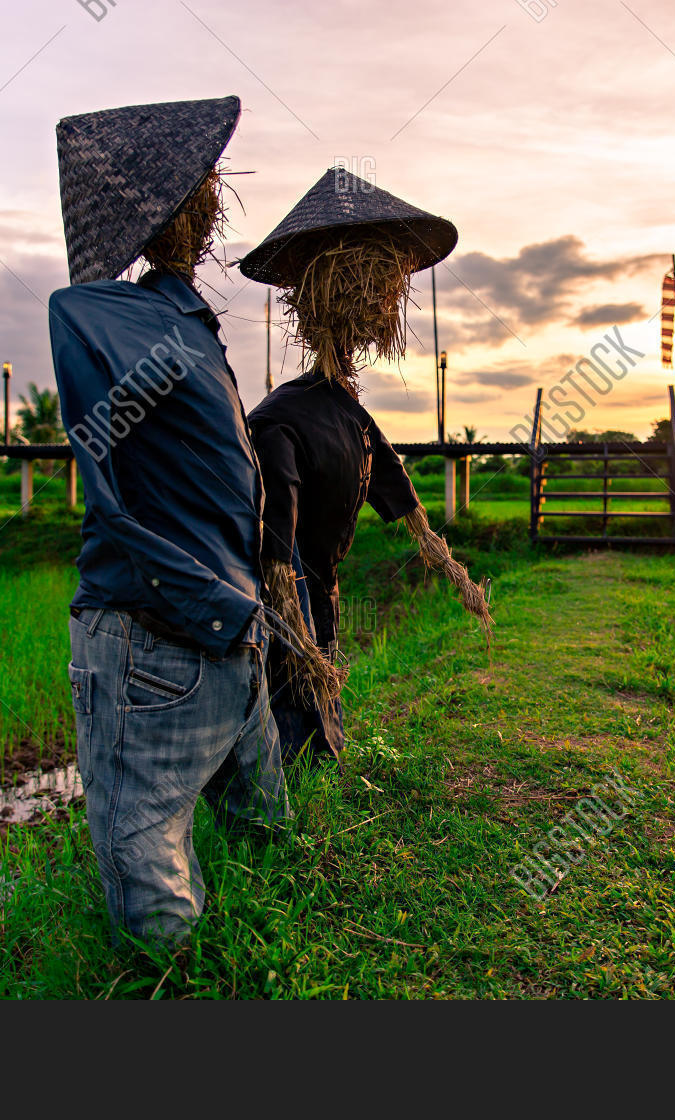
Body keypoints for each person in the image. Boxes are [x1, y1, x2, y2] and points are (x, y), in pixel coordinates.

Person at [49, 96, 333, 944]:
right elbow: (110, 489)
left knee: (260, 842)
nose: (213, 191)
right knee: (153, 882)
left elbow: (224, 488)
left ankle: (258, 962)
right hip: (169, 632)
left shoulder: (188, 326)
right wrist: (225, 607)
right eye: (199, 181)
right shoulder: (108, 316)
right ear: (184, 206)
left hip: (221, 638)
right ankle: (185, 985)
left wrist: (256, 608)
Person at [239, 168, 493, 764]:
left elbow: (397, 489)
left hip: (320, 591)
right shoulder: (279, 419)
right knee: (293, 715)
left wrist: (451, 570)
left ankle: (316, 773)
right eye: (373, 282)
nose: (385, 298)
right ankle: (288, 811)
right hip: (289, 600)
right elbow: (275, 547)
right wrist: (300, 638)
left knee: (320, 714)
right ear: (319, 294)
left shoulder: (346, 409)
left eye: (389, 284)